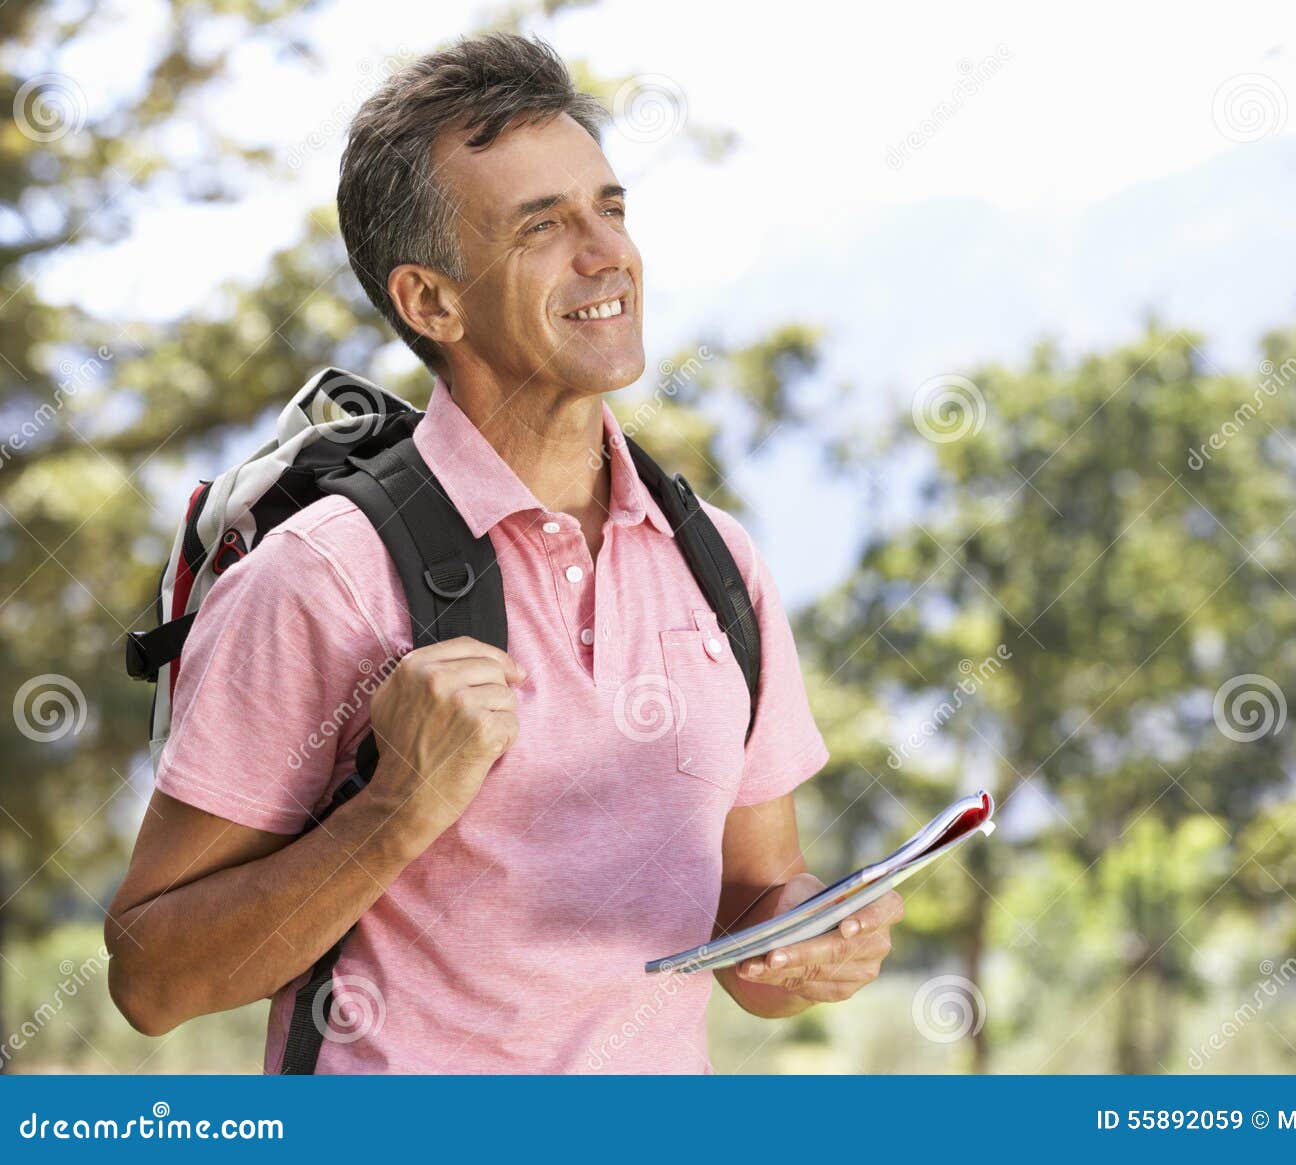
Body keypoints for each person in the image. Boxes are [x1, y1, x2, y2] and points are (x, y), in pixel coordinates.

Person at [103, 32, 902, 1073]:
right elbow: (150, 979)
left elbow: (753, 896)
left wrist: (804, 936)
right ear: (430, 301)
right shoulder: (323, 579)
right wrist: (393, 811)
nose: (605, 251)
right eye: (543, 227)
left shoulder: (718, 564)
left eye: (608, 208)